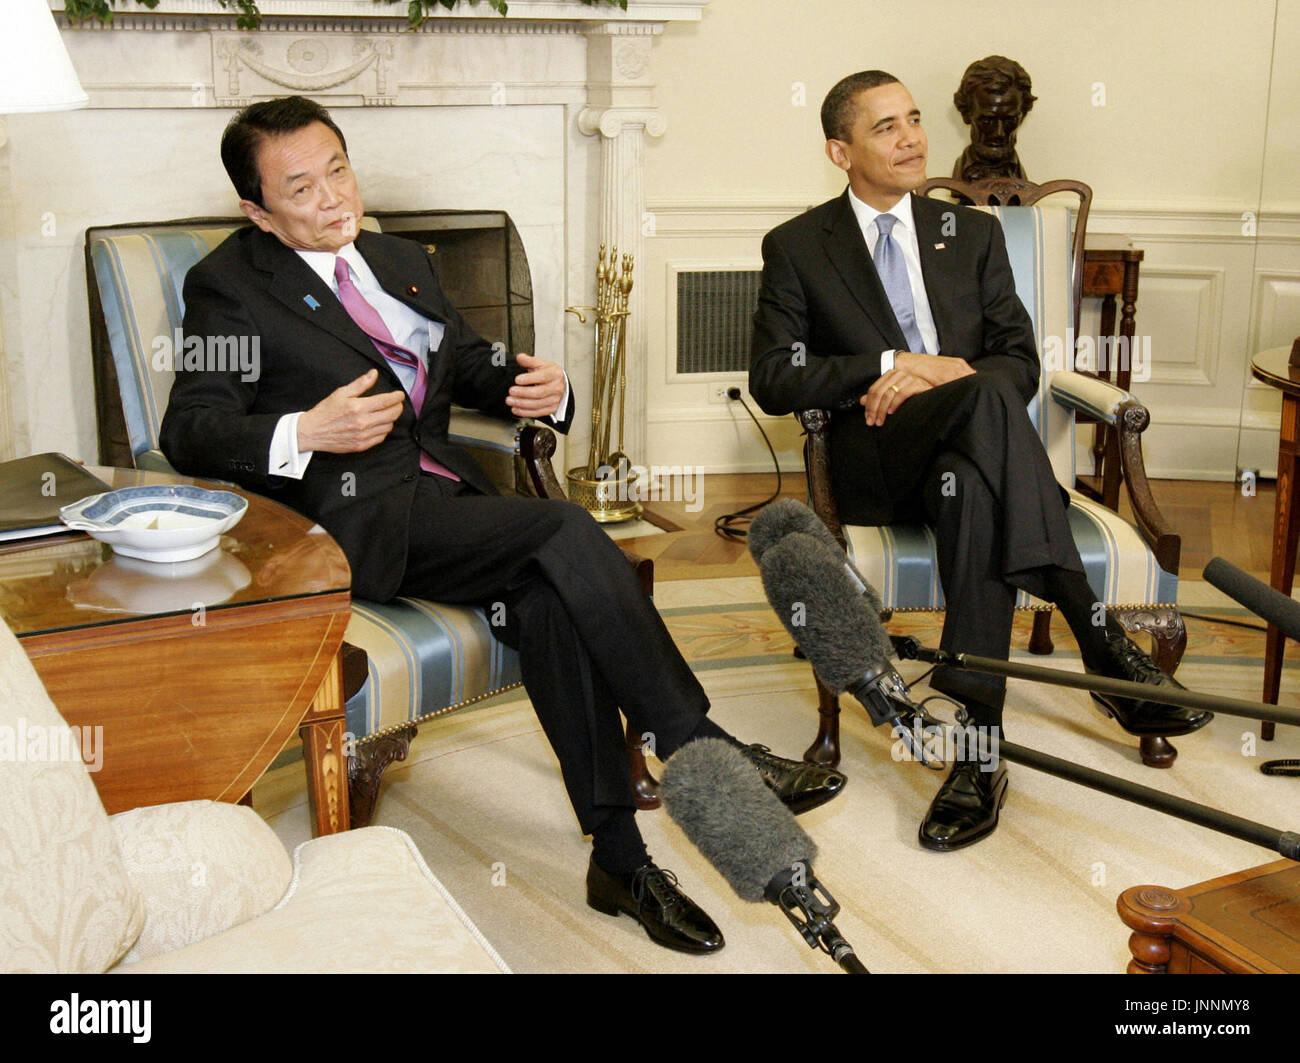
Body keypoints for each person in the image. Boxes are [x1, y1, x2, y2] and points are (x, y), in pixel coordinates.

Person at [161, 95, 846, 955]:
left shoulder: (398, 258)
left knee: (554, 601)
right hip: (354, 525)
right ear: (257, 210)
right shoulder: (228, 286)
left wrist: (541, 388)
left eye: (338, 169)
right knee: (559, 530)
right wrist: (306, 430)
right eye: (301, 188)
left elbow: (466, 362)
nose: (333, 196)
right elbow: (188, 428)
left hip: (448, 503)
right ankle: (700, 742)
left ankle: (621, 860)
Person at [749, 71, 1210, 852]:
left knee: (976, 484)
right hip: (878, 459)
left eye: (914, 119)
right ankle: (1096, 635)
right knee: (986, 399)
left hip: (967, 459)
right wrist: (896, 361)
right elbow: (773, 377)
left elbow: (1018, 362)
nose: (912, 138)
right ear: (839, 151)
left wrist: (949, 376)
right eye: (886, 127)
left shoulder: (971, 234)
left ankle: (979, 747)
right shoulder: (798, 245)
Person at [951, 55, 1035, 183]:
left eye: (1010, 121)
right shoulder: (961, 171)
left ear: (1022, 116)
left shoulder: (1019, 175)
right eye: (987, 121)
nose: (999, 133)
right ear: (966, 113)